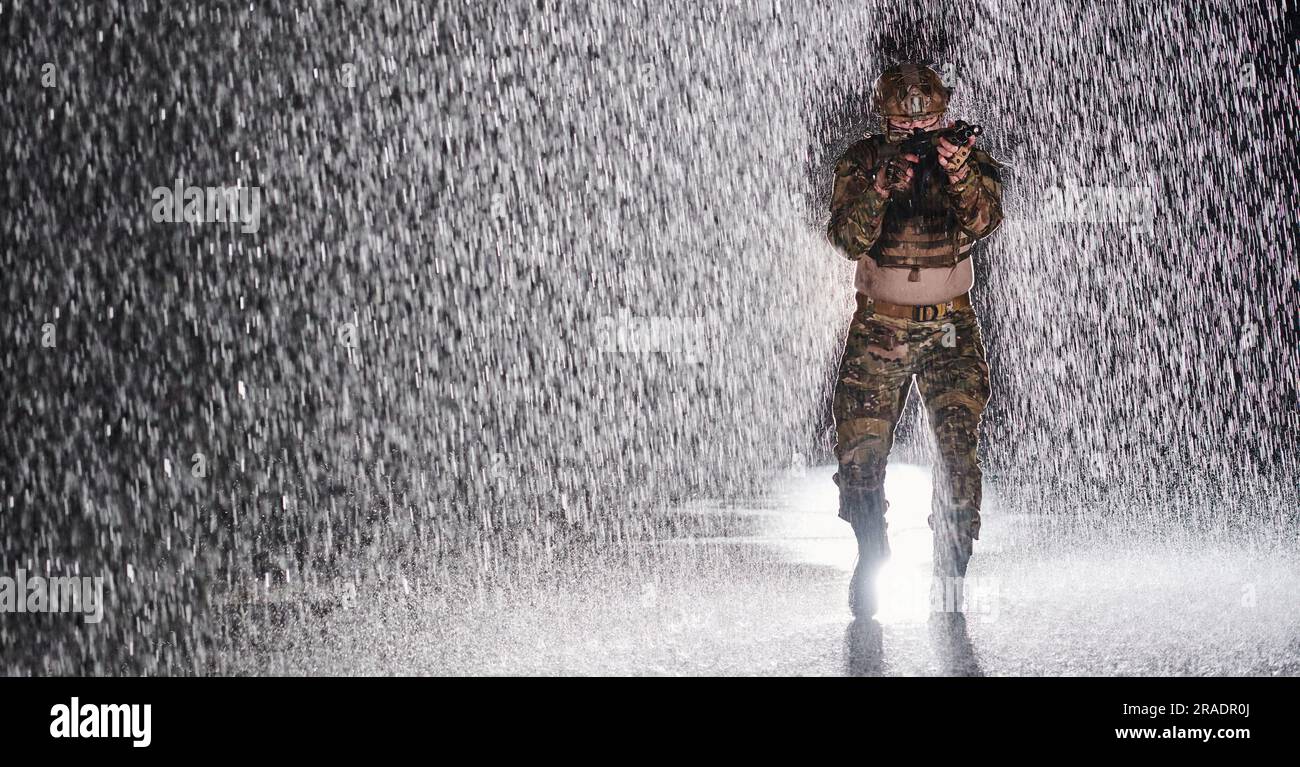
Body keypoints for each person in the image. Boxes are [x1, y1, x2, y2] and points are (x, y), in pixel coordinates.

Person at [825, 62, 1004, 617]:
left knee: (957, 454)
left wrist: (960, 173)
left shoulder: (970, 162)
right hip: (881, 326)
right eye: (904, 127)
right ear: (885, 119)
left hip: (950, 327)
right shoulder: (862, 162)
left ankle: (951, 573)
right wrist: (880, 190)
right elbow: (846, 239)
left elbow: (985, 222)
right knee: (860, 456)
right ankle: (871, 553)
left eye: (926, 124)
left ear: (944, 115)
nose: (917, 135)